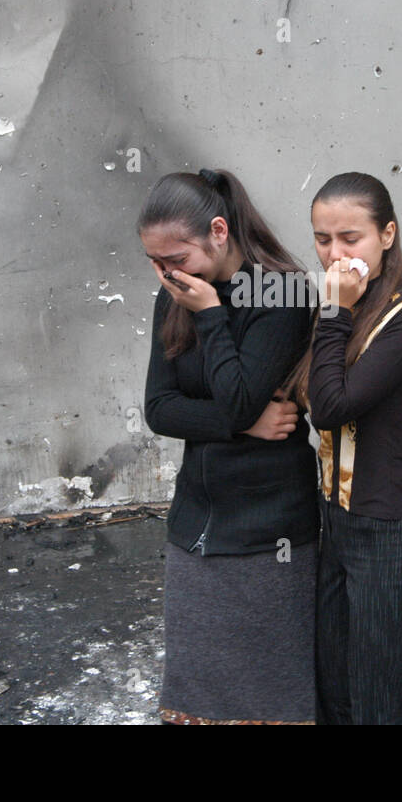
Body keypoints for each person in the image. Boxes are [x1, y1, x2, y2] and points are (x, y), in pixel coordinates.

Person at [139, 168, 320, 725]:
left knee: (273, 694)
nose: (166, 274)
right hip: (197, 518)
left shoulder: (281, 294)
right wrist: (244, 425)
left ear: (219, 231)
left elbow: (237, 396)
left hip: (271, 528)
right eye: (154, 262)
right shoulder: (174, 297)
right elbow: (159, 409)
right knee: (197, 695)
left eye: (176, 259)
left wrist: (212, 316)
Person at [293, 171, 402, 725]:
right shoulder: (342, 315)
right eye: (322, 239)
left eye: (350, 238)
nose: (335, 254)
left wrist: (333, 312)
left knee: (377, 697)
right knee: (332, 685)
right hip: (337, 524)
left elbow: (331, 407)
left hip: (387, 531)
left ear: (387, 235)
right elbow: (307, 391)